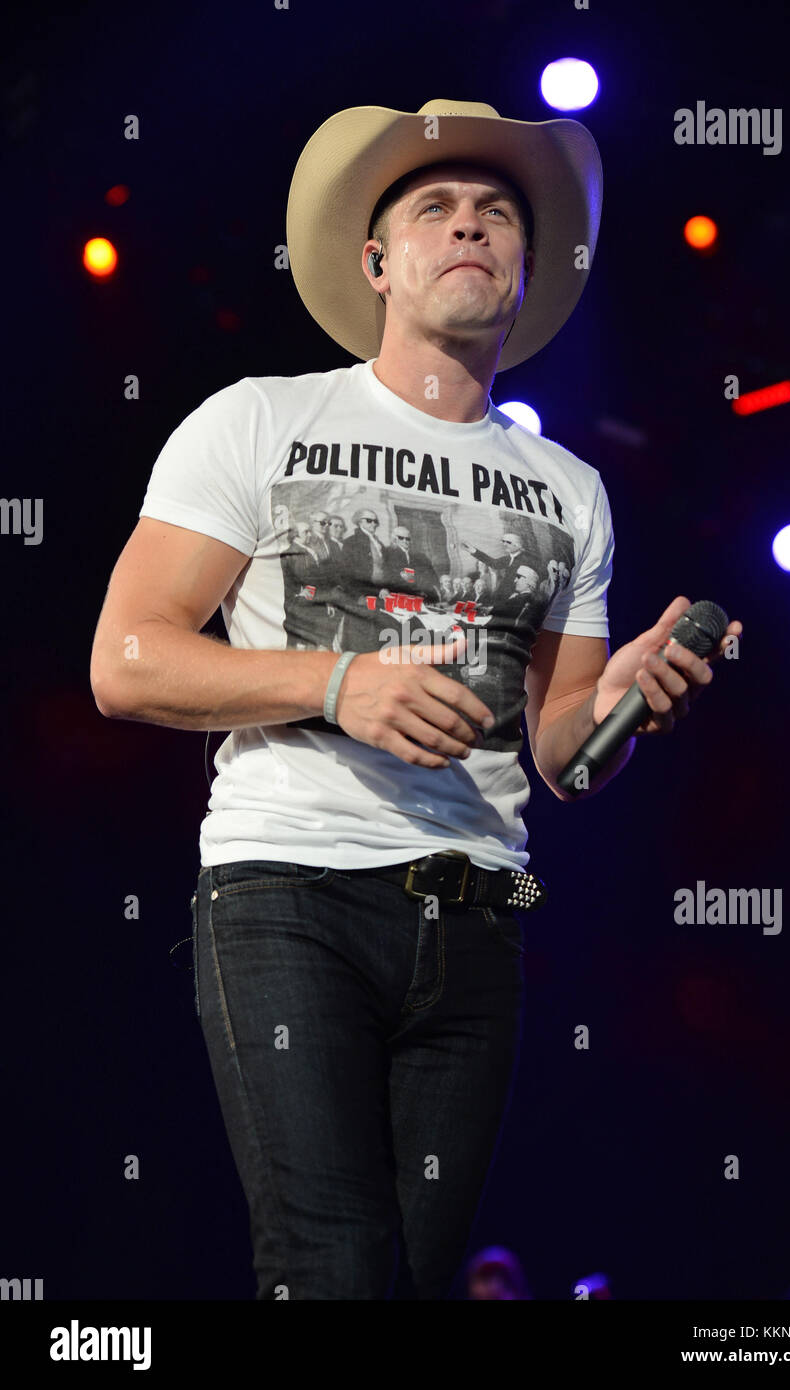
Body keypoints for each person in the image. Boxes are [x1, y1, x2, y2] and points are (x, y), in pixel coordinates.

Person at [89, 97, 742, 1300]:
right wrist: (340, 681)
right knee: (332, 1265)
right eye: (434, 208)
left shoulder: (571, 490)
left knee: (413, 1280)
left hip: (478, 912)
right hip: (290, 889)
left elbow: (565, 758)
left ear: (528, 269)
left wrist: (630, 699)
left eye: (497, 214)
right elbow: (127, 659)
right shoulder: (262, 418)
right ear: (378, 264)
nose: (470, 227)